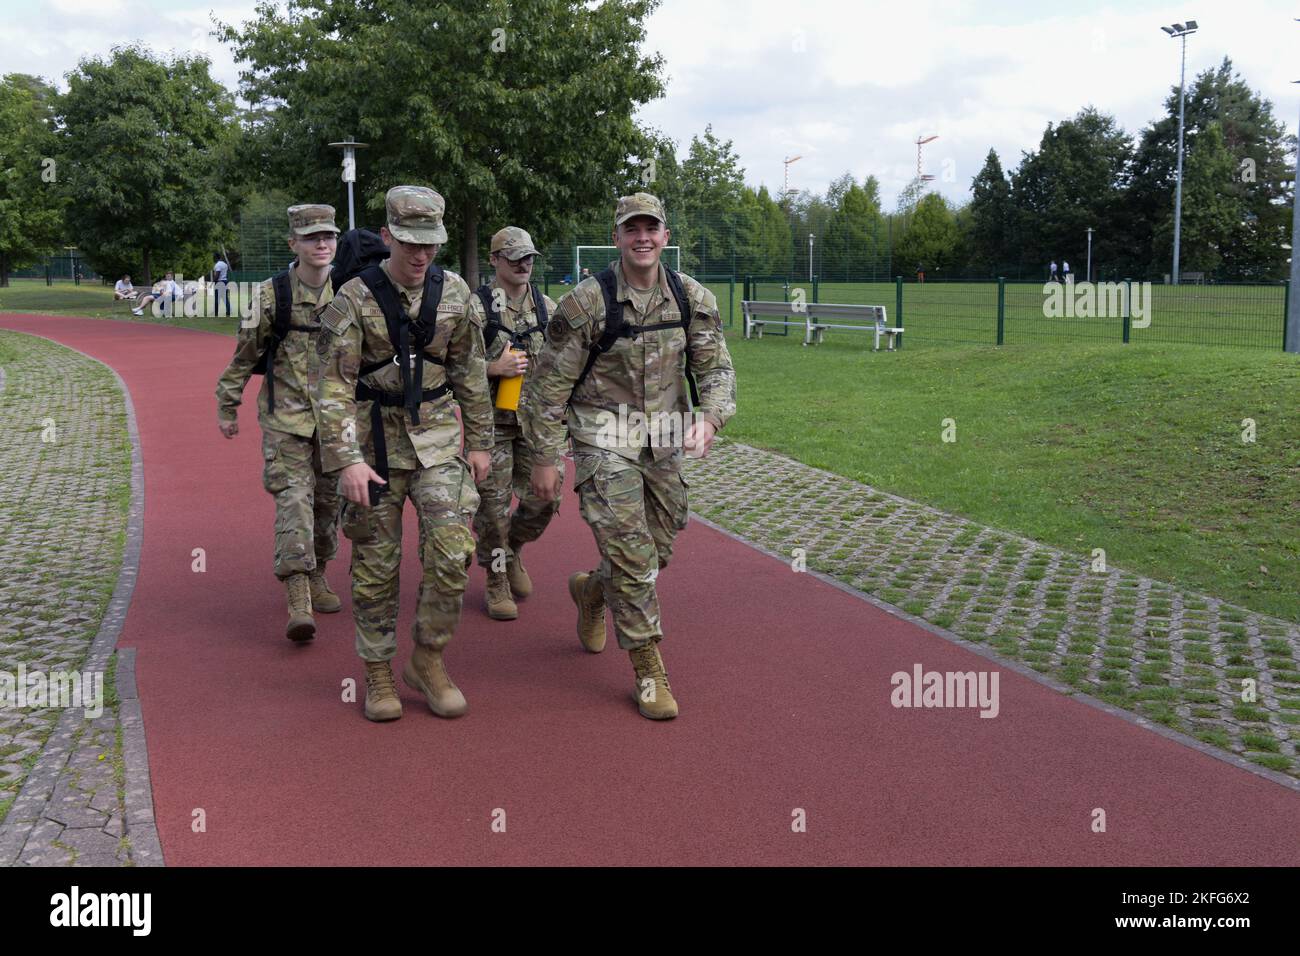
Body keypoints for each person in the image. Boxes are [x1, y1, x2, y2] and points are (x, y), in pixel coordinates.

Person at [521, 192, 736, 720]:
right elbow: (546, 389)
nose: (642, 237)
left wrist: (709, 418)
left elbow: (716, 370)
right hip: (602, 440)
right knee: (634, 557)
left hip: (664, 437)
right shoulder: (587, 304)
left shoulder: (692, 299)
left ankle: (593, 592)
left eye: (652, 228)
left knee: (659, 545)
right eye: (631, 229)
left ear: (665, 235)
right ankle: (648, 668)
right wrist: (546, 459)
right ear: (617, 236)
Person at [312, 185, 493, 723]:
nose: (420, 256)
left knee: (454, 550)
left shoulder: (456, 294)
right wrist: (345, 459)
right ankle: (378, 671)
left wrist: (480, 442)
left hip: (436, 439)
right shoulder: (353, 299)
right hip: (372, 445)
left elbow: (470, 374)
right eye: (410, 243)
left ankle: (429, 657)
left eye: (431, 245)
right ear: (387, 235)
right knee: (374, 564)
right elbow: (332, 388)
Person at [214, 205, 343, 641]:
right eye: (311, 238)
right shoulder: (271, 297)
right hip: (285, 420)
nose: (321, 244)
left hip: (336, 424)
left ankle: (319, 571)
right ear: (294, 244)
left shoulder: (350, 294)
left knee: (329, 509)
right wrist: (227, 405)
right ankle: (298, 591)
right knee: (294, 503)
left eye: (328, 237)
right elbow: (244, 356)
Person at [468, 227, 560, 621]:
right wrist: (493, 367)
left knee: (546, 499)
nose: (524, 264)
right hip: (492, 425)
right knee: (492, 508)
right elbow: (454, 367)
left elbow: (563, 366)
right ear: (494, 260)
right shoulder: (476, 308)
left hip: (536, 426)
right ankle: (496, 577)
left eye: (529, 258)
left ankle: (512, 548)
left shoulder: (548, 308)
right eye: (514, 257)